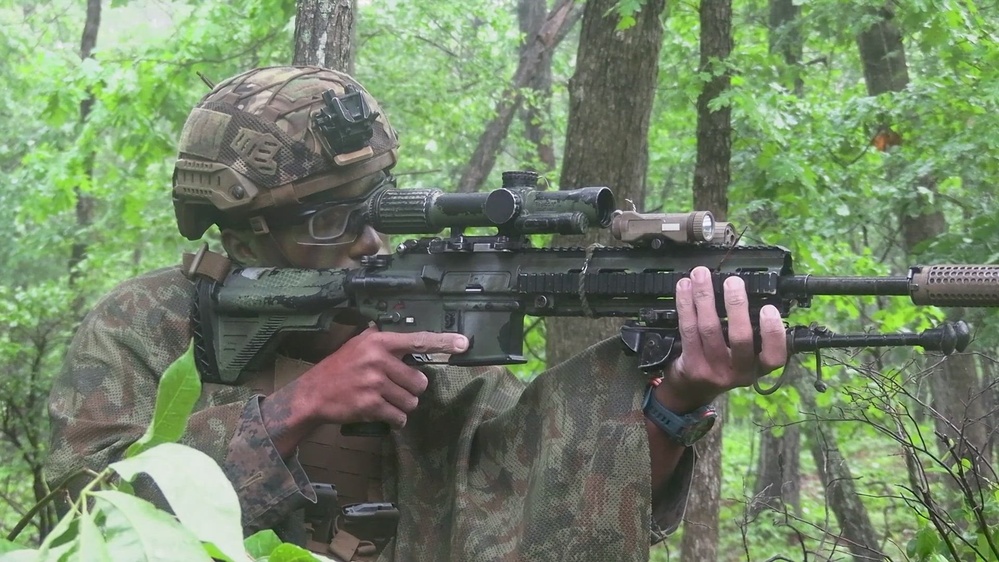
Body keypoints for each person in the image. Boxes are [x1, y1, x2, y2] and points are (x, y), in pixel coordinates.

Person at [45, 66, 787, 561]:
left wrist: (675, 400)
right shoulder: (146, 325)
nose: (368, 240)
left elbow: (526, 511)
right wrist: (292, 411)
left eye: (373, 209)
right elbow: (85, 528)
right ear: (241, 232)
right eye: (327, 223)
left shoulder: (409, 321)